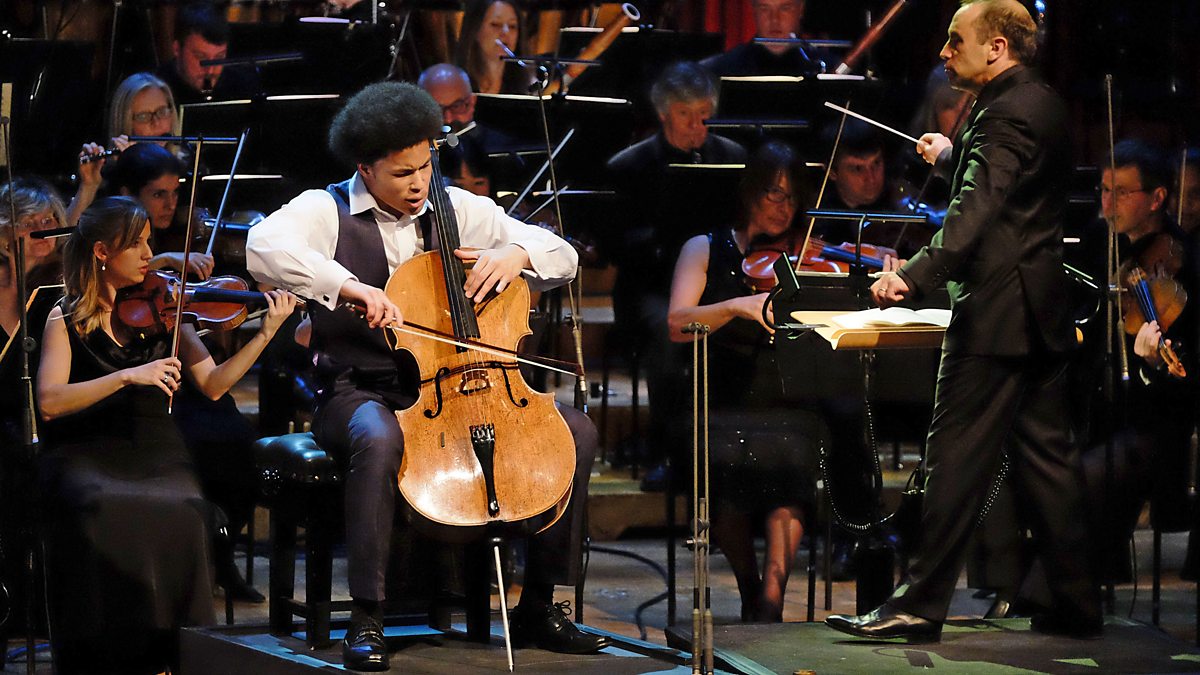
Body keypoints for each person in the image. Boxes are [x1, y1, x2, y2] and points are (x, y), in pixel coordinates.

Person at [245, 81, 608, 671]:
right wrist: (347, 287)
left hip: (467, 383)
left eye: (425, 165)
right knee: (378, 436)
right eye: (401, 173)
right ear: (365, 168)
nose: (418, 183)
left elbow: (561, 254)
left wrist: (517, 255)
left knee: (577, 433)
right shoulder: (324, 208)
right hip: (360, 388)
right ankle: (368, 617)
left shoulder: (456, 207)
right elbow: (262, 247)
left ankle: (541, 605)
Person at [826, 0, 1101, 642]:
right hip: (1036, 311)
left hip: (999, 313)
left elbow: (977, 213)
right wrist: (951, 156)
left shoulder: (1006, 113)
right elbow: (1012, 191)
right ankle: (1079, 602)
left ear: (997, 47)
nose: (944, 53)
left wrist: (912, 274)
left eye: (955, 42)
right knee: (1047, 463)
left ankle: (918, 606)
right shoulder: (1040, 101)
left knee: (951, 458)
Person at [36, 196, 296, 673]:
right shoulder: (65, 317)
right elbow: (51, 403)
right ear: (101, 253)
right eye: (135, 244)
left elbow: (214, 385)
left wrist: (265, 333)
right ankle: (106, 650)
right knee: (98, 503)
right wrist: (126, 376)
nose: (147, 254)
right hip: (85, 450)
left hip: (155, 446)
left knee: (184, 508)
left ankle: (172, 652)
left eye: (147, 242)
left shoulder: (168, 310)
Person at [667, 141, 820, 621]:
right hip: (721, 392)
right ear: (750, 192)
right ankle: (749, 585)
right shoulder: (705, 247)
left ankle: (772, 598)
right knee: (723, 467)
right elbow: (677, 323)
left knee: (792, 465)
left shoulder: (806, 254)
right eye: (774, 193)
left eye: (792, 198)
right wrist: (735, 306)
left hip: (788, 391)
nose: (784, 207)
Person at [604, 61, 746, 489]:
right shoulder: (630, 166)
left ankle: (731, 453)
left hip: (716, 283)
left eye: (703, 112)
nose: (696, 124)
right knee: (670, 344)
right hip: (653, 286)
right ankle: (672, 453)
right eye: (685, 114)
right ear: (665, 114)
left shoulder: (733, 158)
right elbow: (616, 246)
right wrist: (667, 236)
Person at [157, 1, 258, 106]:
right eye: (201, 57)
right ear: (177, 49)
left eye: (219, 57)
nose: (210, 71)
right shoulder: (155, 91)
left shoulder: (243, 85)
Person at [700, 0, 824, 77]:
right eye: (764, 8)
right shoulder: (718, 70)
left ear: (801, 9)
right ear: (753, 9)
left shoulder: (826, 68)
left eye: (785, 8)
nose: (774, 19)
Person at [454, 0, 533, 95]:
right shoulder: (454, 82)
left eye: (512, 26)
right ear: (475, 30)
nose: (506, 32)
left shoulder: (530, 86)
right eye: (495, 24)